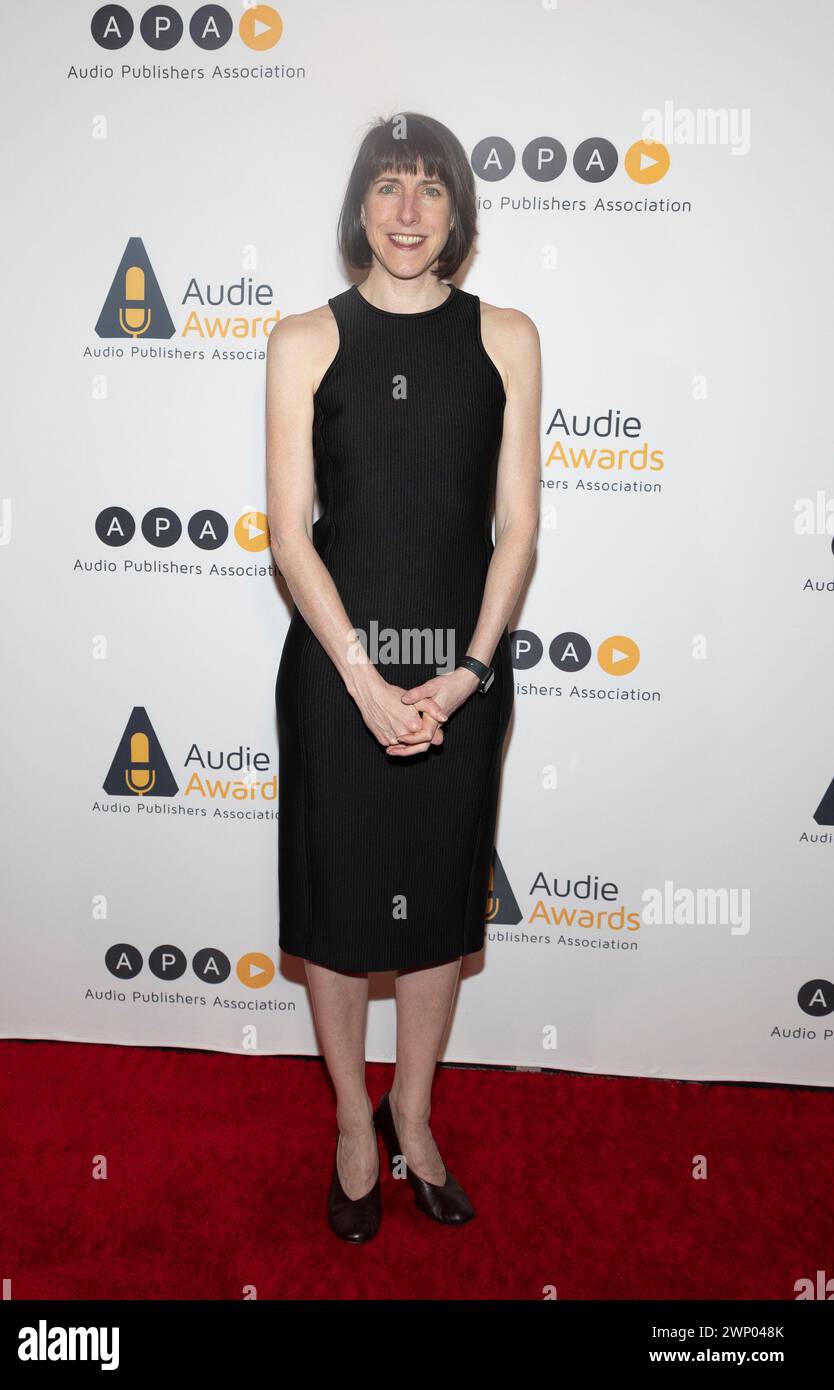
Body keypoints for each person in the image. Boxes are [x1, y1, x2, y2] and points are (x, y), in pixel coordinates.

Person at [267, 112, 541, 1241]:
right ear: (359, 207)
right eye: (387, 185)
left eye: (430, 187)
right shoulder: (301, 342)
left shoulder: (508, 337)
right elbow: (289, 534)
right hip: (336, 679)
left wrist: (467, 673)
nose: (409, 209)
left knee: (432, 912)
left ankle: (412, 1116)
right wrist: (364, 680)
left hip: (461, 681)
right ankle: (347, 1121)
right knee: (337, 916)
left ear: (456, 212)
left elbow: (516, 529)